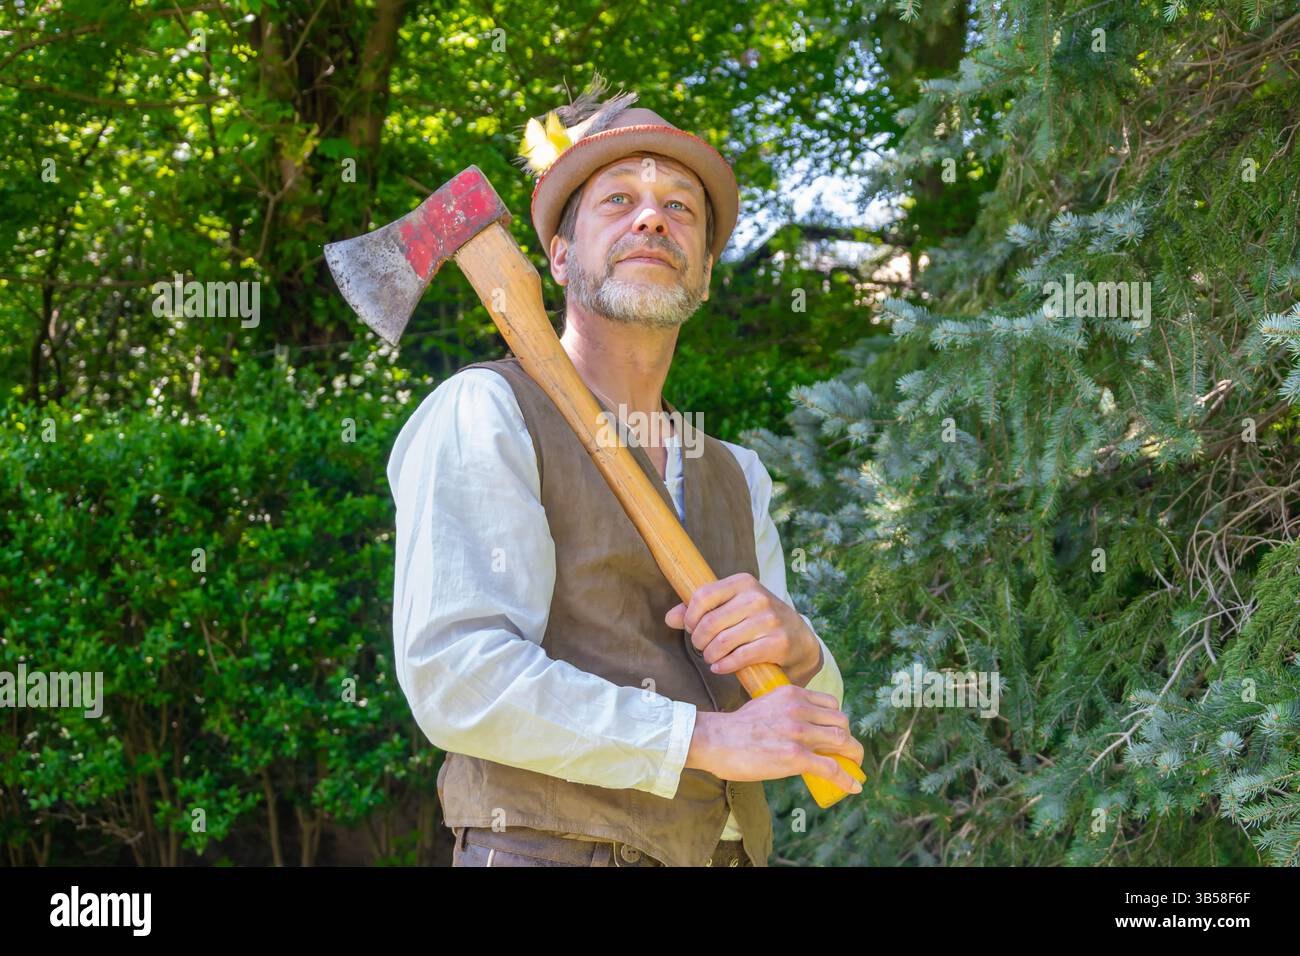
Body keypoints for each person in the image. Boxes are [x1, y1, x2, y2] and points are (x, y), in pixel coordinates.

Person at [387, 74, 864, 868]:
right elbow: (457, 676)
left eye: (681, 207)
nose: (653, 215)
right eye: (618, 200)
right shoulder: (485, 412)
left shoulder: (735, 472)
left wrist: (802, 649)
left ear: (705, 274)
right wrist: (703, 739)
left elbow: (798, 724)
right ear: (561, 254)